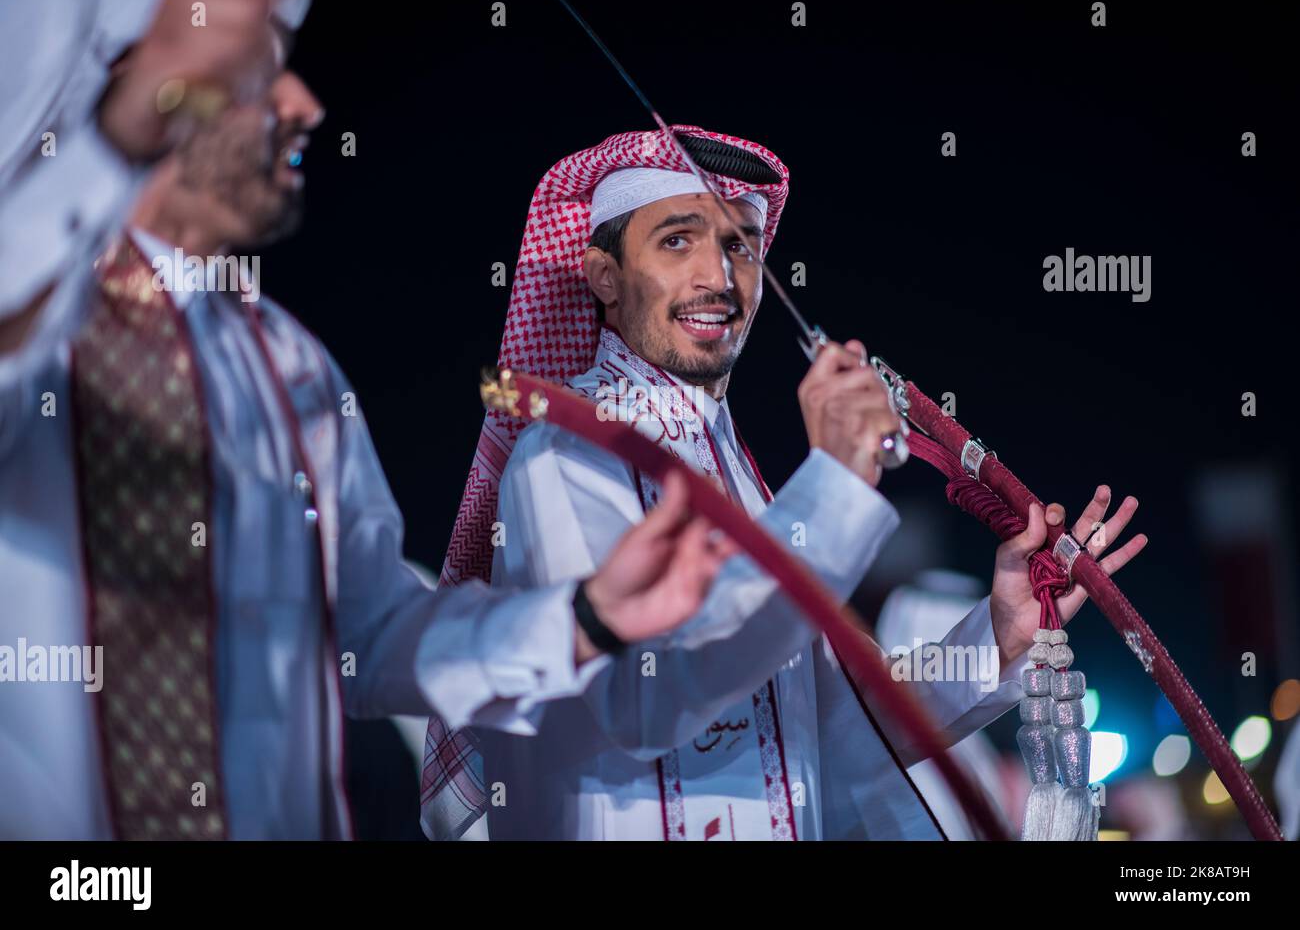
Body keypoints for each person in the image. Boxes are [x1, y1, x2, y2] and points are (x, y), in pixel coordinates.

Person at [0, 0, 731, 840]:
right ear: (145, 80)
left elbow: (373, 635)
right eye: (257, 73)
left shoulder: (290, 362)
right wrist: (114, 136)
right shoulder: (40, 318)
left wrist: (585, 617)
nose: (306, 105)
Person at [430, 125, 1149, 839]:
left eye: (739, 243)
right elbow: (636, 696)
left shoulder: (741, 482)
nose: (718, 276)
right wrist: (832, 488)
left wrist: (999, 631)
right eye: (677, 240)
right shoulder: (565, 453)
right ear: (604, 275)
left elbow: (846, 726)